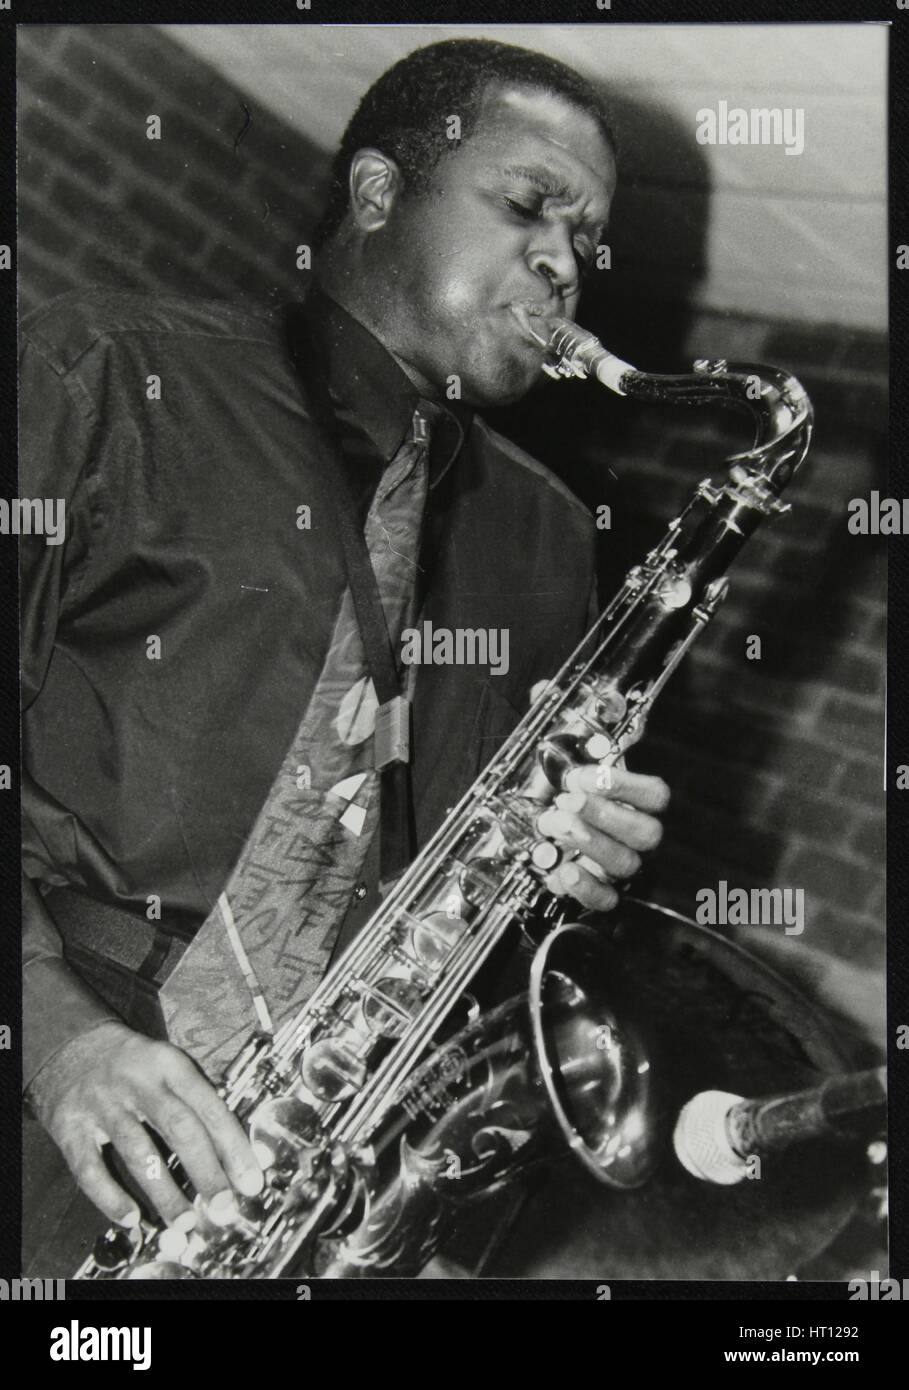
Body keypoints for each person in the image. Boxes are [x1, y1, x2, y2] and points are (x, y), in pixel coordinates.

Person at [19, 37, 670, 1263]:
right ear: (378, 194)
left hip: (311, 1153)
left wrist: (558, 868)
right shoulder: (108, 371)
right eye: (530, 206)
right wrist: (53, 1036)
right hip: (67, 1061)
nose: (563, 263)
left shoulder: (544, 535)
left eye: (584, 243)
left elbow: (448, 888)